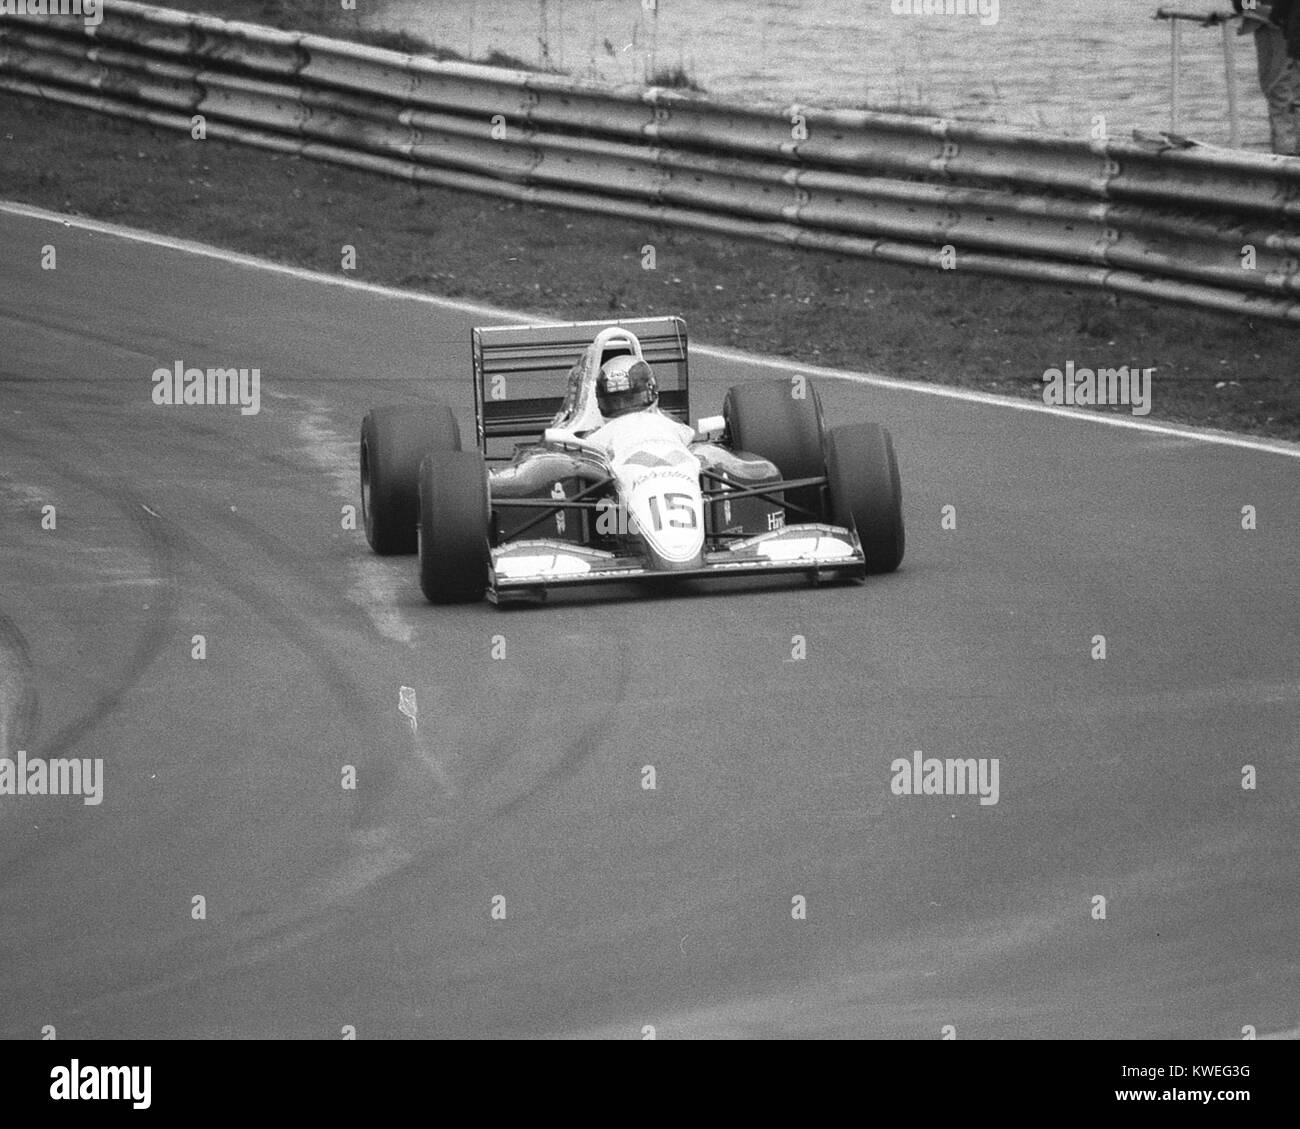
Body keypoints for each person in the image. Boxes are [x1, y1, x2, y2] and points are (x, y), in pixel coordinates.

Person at [1233, 0, 1300, 154]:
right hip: (1281, 21)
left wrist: (1254, 7)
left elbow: (1240, 3)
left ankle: (1286, 154)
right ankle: (1289, 153)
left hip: (1275, 25)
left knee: (1279, 91)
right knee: (1289, 93)